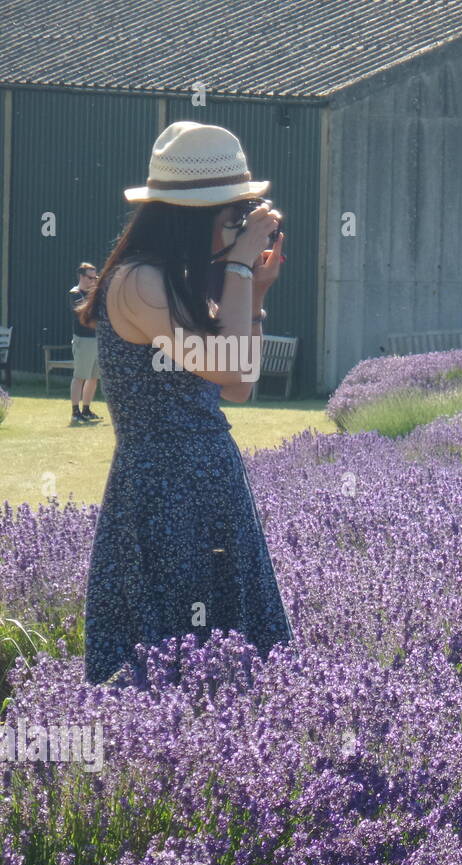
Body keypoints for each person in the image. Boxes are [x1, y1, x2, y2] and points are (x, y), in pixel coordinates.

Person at [77, 121, 293, 685]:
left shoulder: (178, 281)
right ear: (195, 215)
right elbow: (231, 367)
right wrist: (240, 269)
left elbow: (240, 385)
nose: (238, 230)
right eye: (233, 219)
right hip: (163, 487)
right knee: (168, 656)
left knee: (233, 661)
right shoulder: (139, 282)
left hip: (210, 479)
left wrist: (257, 291)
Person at [69, 262, 103, 424]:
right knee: (80, 376)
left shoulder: (94, 293)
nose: (93, 280)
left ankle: (86, 409)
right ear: (82, 277)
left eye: (95, 277)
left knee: (94, 377)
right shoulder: (75, 293)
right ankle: (75, 411)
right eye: (90, 277)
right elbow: (83, 315)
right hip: (84, 340)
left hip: (97, 339)